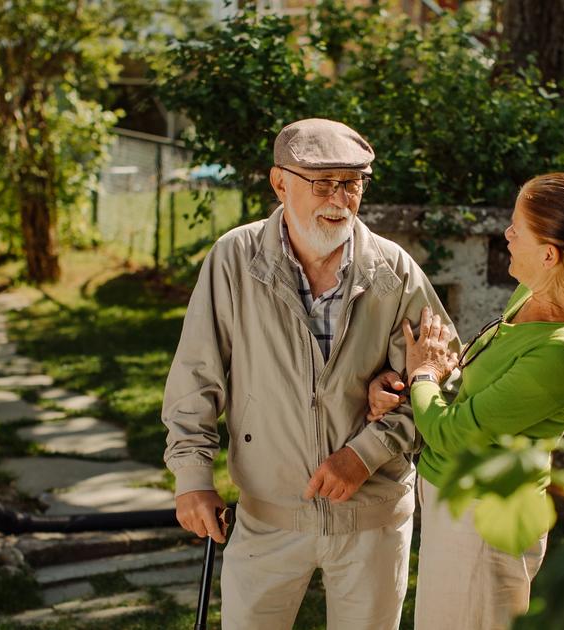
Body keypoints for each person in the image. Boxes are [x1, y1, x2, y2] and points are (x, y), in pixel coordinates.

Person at [162, 118, 456, 630]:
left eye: (352, 183)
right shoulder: (235, 259)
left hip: (373, 520)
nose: (339, 199)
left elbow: (443, 376)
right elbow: (197, 373)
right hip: (267, 516)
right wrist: (191, 477)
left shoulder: (395, 271)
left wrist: (366, 454)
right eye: (322, 183)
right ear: (280, 183)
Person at [368, 172, 564, 630]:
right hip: (459, 506)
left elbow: (451, 434)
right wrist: (406, 389)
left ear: (550, 254)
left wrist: (422, 376)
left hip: (484, 525)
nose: (507, 234)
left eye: (517, 228)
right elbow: (478, 385)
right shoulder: (536, 291)